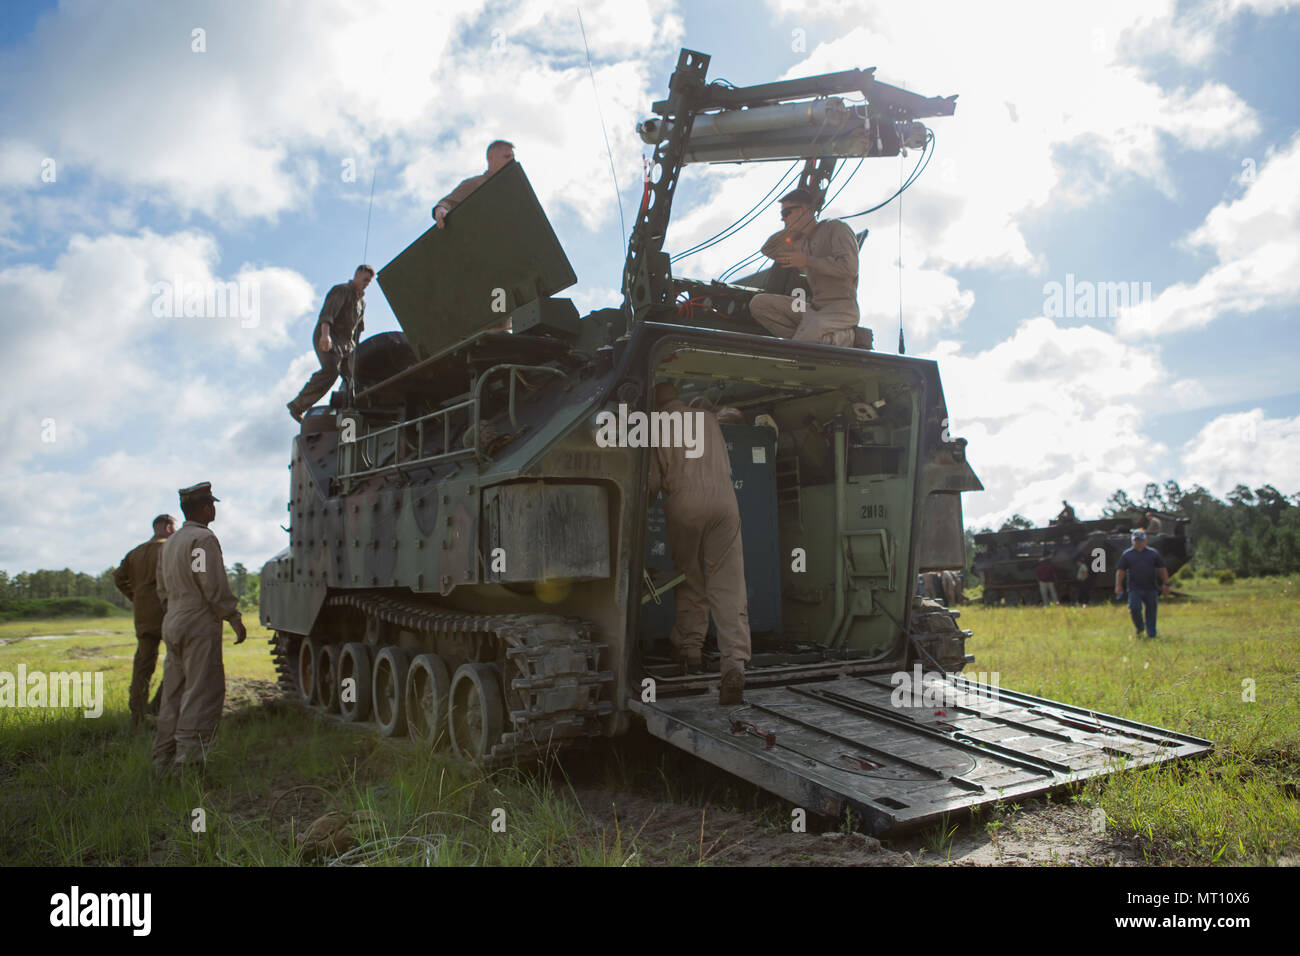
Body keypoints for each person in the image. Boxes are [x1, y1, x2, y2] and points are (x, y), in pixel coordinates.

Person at [648, 382, 751, 705]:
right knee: (728, 582)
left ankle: (690, 650)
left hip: (685, 503)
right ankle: (733, 662)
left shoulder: (656, 424)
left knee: (689, 576)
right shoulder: (707, 418)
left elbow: (651, 482)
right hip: (724, 501)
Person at [152, 482, 247, 775]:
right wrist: (233, 617)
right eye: (212, 504)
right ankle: (189, 765)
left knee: (173, 694)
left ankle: (162, 760)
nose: (215, 509)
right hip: (198, 621)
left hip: (174, 620)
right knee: (202, 691)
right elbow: (212, 585)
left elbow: (162, 588)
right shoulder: (203, 539)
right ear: (206, 508)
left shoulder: (171, 543)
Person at [748, 188, 861, 347]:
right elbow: (768, 249)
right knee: (760, 304)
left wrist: (807, 261)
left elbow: (848, 268)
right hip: (814, 309)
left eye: (786, 213)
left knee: (811, 333)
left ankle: (843, 337)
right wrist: (789, 229)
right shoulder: (801, 243)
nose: (783, 219)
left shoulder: (836, 228)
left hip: (841, 309)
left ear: (802, 210)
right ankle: (810, 338)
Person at [287, 265, 374, 422]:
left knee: (353, 377)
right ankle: (297, 406)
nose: (367, 283)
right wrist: (325, 337)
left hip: (347, 346)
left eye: (369, 281)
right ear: (357, 274)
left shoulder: (362, 302)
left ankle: (348, 413)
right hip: (328, 337)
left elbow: (358, 329)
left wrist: (357, 353)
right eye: (365, 279)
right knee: (331, 372)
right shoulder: (341, 290)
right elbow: (327, 315)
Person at [113, 514, 176, 725]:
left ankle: (138, 713)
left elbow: (118, 577)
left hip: (143, 616)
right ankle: (158, 707)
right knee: (178, 660)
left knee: (143, 664)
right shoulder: (171, 549)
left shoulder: (135, 553)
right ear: (167, 527)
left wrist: (135, 596)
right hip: (168, 613)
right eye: (174, 527)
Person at [432, 140, 516, 228]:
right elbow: (446, 203)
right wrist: (440, 210)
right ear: (490, 158)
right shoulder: (476, 183)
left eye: (512, 157)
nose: (511, 160)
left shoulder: (516, 188)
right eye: (507, 156)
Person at [1115, 529, 1170, 639]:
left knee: (1151, 611)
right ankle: (1140, 627)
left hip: (1151, 587)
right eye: (1136, 541)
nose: (1139, 543)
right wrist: (1118, 585)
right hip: (1134, 588)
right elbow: (1120, 570)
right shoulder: (1127, 555)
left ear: (1145, 541)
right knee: (1134, 608)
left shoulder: (1153, 554)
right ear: (1132, 541)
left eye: (1141, 540)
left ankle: (1152, 634)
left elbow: (1162, 568)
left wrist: (1166, 584)